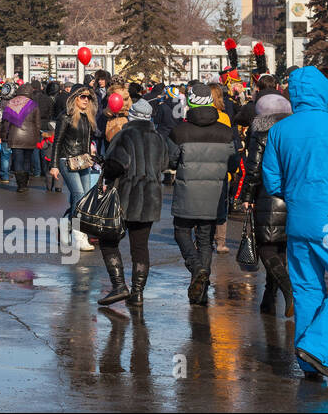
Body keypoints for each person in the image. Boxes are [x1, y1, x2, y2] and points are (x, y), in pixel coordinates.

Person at [262, 66, 328, 380]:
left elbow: (272, 182)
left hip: (298, 221)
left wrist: (297, 197)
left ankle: (309, 362)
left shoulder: (279, 130)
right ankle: (317, 348)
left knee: (307, 288)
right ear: (325, 91)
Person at [96, 98, 170, 308]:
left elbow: (116, 164)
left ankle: (119, 285)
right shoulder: (158, 138)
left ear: (133, 116)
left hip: (125, 196)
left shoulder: (125, 135)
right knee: (140, 247)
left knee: (108, 241)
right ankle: (137, 293)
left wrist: (106, 170)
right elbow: (165, 164)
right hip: (151, 197)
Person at [169, 86, 236, 307]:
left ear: (191, 103)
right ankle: (201, 283)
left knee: (181, 232)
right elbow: (234, 164)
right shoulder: (226, 132)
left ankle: (197, 269)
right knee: (206, 240)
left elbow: (170, 161)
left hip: (187, 193)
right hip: (215, 194)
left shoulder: (180, 131)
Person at [238, 93, 294, 318]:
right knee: (280, 247)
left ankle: (288, 290)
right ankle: (268, 299)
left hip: (268, 195)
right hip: (292, 195)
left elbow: (253, 168)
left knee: (266, 247)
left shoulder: (261, 132)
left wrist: (246, 197)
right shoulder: (293, 130)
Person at [51, 86, 98, 251]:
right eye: (82, 96)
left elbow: (90, 140)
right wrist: (54, 165)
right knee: (78, 194)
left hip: (83, 161)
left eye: (88, 97)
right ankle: (79, 237)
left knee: (85, 198)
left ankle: (66, 224)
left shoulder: (88, 118)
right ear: (74, 98)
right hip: (67, 160)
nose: (86, 100)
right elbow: (57, 141)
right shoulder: (65, 117)